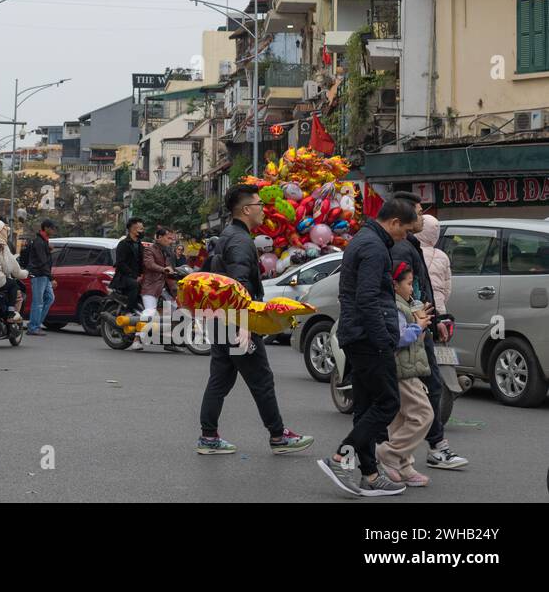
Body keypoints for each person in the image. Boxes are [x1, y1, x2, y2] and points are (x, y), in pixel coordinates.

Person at [197, 184, 313, 457]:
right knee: (261, 379)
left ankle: (209, 437)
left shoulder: (228, 236)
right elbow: (240, 285)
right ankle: (278, 436)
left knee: (220, 380)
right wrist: (246, 325)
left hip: (221, 321)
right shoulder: (240, 241)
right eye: (260, 205)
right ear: (247, 209)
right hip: (237, 324)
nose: (264, 209)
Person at [316, 197, 418, 498]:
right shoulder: (374, 248)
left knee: (364, 408)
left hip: (357, 334)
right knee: (388, 403)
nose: (406, 237)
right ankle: (339, 458)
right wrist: (383, 338)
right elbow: (368, 299)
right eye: (406, 231)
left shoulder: (365, 239)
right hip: (368, 338)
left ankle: (371, 475)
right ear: (395, 223)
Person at [391, 195, 468, 471]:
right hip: (412, 327)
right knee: (426, 389)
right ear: (406, 215)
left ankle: (404, 454)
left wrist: (435, 319)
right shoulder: (402, 248)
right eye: (420, 212)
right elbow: (405, 290)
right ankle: (413, 451)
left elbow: (424, 288)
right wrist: (420, 319)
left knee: (421, 391)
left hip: (422, 323)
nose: (423, 217)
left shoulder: (411, 244)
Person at [375, 261, 435, 487]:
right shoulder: (396, 307)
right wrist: (417, 326)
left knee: (401, 419)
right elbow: (398, 339)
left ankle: (403, 464)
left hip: (406, 369)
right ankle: (390, 453)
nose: (412, 288)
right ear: (395, 284)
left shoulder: (404, 305)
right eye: (409, 284)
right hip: (402, 370)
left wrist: (420, 324)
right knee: (423, 414)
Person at [132, 227, 178, 352]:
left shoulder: (168, 251)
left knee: (175, 309)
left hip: (165, 287)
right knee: (150, 312)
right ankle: (137, 339)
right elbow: (149, 264)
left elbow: (171, 268)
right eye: (168, 238)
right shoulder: (149, 250)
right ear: (159, 237)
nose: (171, 241)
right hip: (151, 286)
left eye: (172, 238)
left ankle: (169, 341)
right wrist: (163, 269)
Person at [24, 219, 57, 336]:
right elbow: (42, 261)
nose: (54, 231)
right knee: (38, 302)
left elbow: (44, 258)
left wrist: (48, 250)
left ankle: (35, 323)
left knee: (50, 298)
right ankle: (33, 327)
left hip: (43, 275)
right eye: (52, 228)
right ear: (46, 228)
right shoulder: (39, 241)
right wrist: (51, 277)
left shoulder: (44, 241)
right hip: (38, 274)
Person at [112, 218, 145, 314]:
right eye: (141, 229)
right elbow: (120, 263)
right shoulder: (123, 244)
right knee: (134, 284)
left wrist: (142, 274)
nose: (142, 231)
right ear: (133, 229)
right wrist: (135, 276)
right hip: (124, 277)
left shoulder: (140, 244)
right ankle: (129, 310)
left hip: (138, 275)